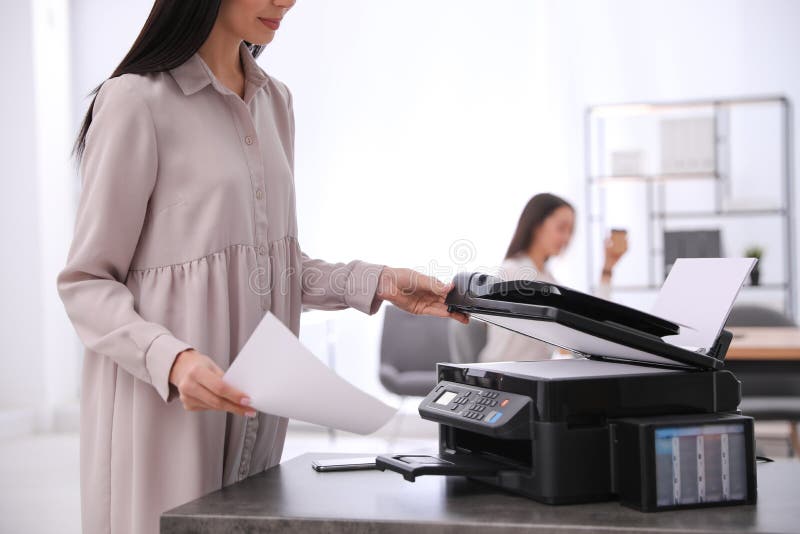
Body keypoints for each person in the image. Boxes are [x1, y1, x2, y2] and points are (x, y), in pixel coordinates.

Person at [57, 2, 467, 532]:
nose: (286, 1)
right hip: (163, 415)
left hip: (254, 415)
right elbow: (86, 282)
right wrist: (174, 361)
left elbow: (272, 263)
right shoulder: (136, 100)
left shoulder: (276, 102)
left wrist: (379, 282)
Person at [478, 193, 627, 362]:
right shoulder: (516, 273)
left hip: (527, 374)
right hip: (504, 377)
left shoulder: (546, 277)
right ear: (537, 225)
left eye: (570, 231)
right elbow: (574, 336)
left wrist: (607, 268)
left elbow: (590, 323)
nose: (566, 238)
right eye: (561, 228)